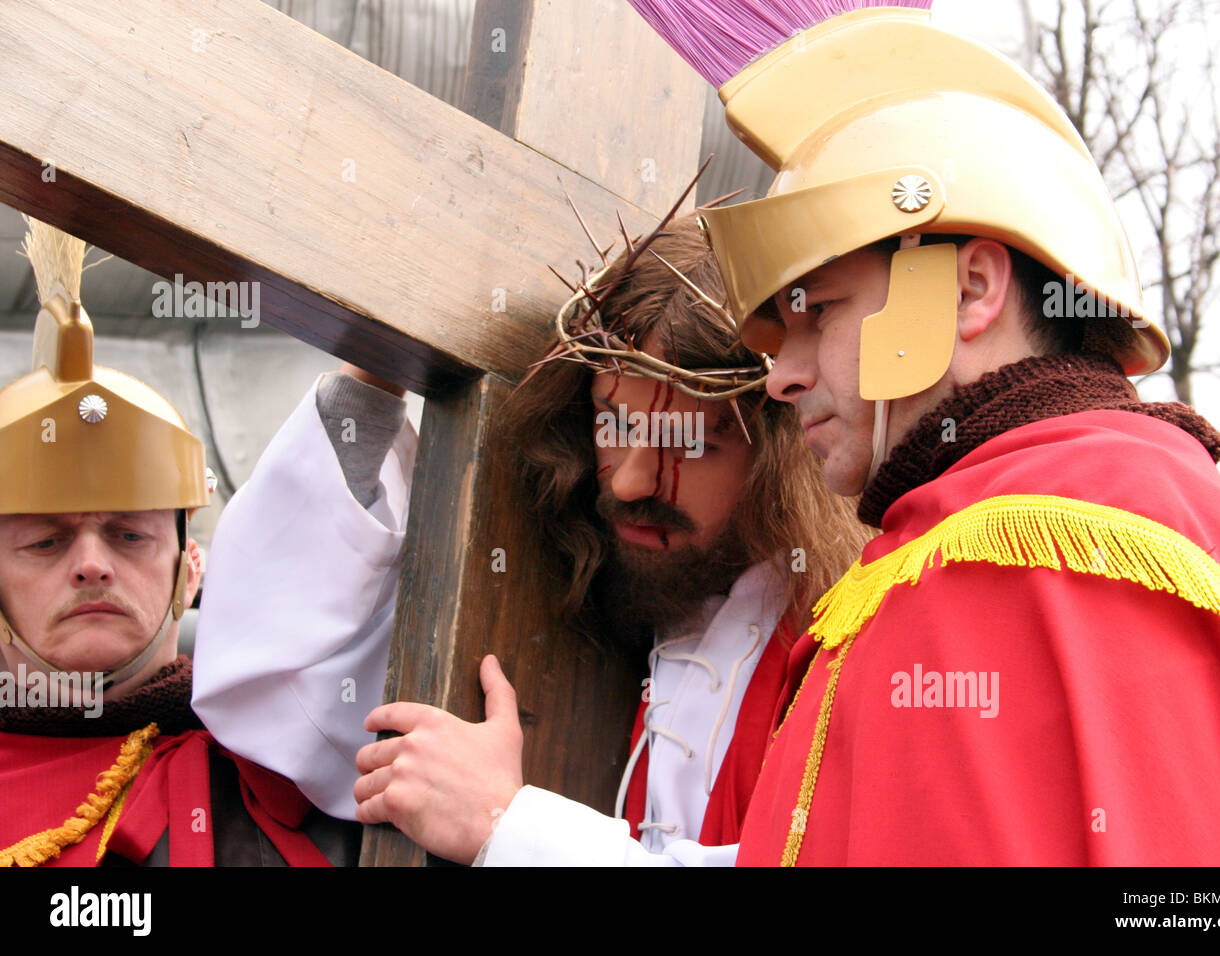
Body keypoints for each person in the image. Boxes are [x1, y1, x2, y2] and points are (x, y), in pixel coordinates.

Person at [631, 3, 1220, 864]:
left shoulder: (1004, 554)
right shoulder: (1144, 515)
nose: (780, 377)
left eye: (818, 312)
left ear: (968, 290)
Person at [192, 213, 866, 865]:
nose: (632, 480)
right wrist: (372, 382)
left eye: (691, 445)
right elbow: (291, 681)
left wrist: (507, 827)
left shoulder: (853, 645)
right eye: (613, 423)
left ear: (787, 456)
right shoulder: (612, 578)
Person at [0, 219, 355, 867]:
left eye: (129, 535)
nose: (91, 566)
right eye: (46, 542)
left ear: (190, 572)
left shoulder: (299, 774)